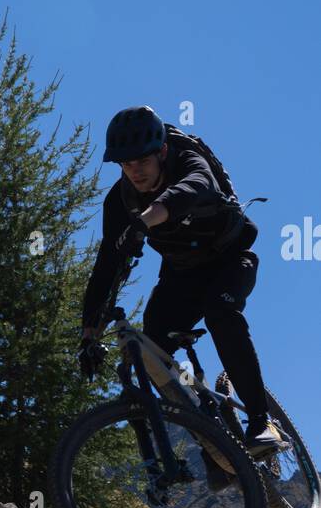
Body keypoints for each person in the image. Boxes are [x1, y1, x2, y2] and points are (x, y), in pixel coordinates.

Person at [78, 105, 280, 460]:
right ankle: (211, 444)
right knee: (147, 352)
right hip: (181, 275)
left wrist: (144, 222)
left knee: (220, 312)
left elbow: (192, 189)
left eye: (141, 160)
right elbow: (106, 268)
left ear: (162, 152)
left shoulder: (188, 161)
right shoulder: (119, 202)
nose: (134, 170)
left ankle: (263, 422)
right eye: (125, 163)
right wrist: (88, 336)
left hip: (230, 259)